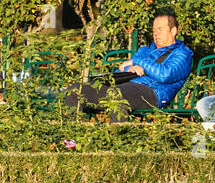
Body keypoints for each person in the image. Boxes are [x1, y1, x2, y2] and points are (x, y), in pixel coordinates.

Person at [65, 11, 194, 120]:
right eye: (154, 30)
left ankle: (118, 142)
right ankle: (72, 139)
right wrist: (132, 68)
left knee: (118, 96)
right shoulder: (145, 50)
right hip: (125, 86)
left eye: (160, 29)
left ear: (174, 31)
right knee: (76, 90)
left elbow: (165, 75)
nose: (156, 33)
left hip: (154, 92)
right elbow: (122, 70)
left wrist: (138, 63)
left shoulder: (182, 54)